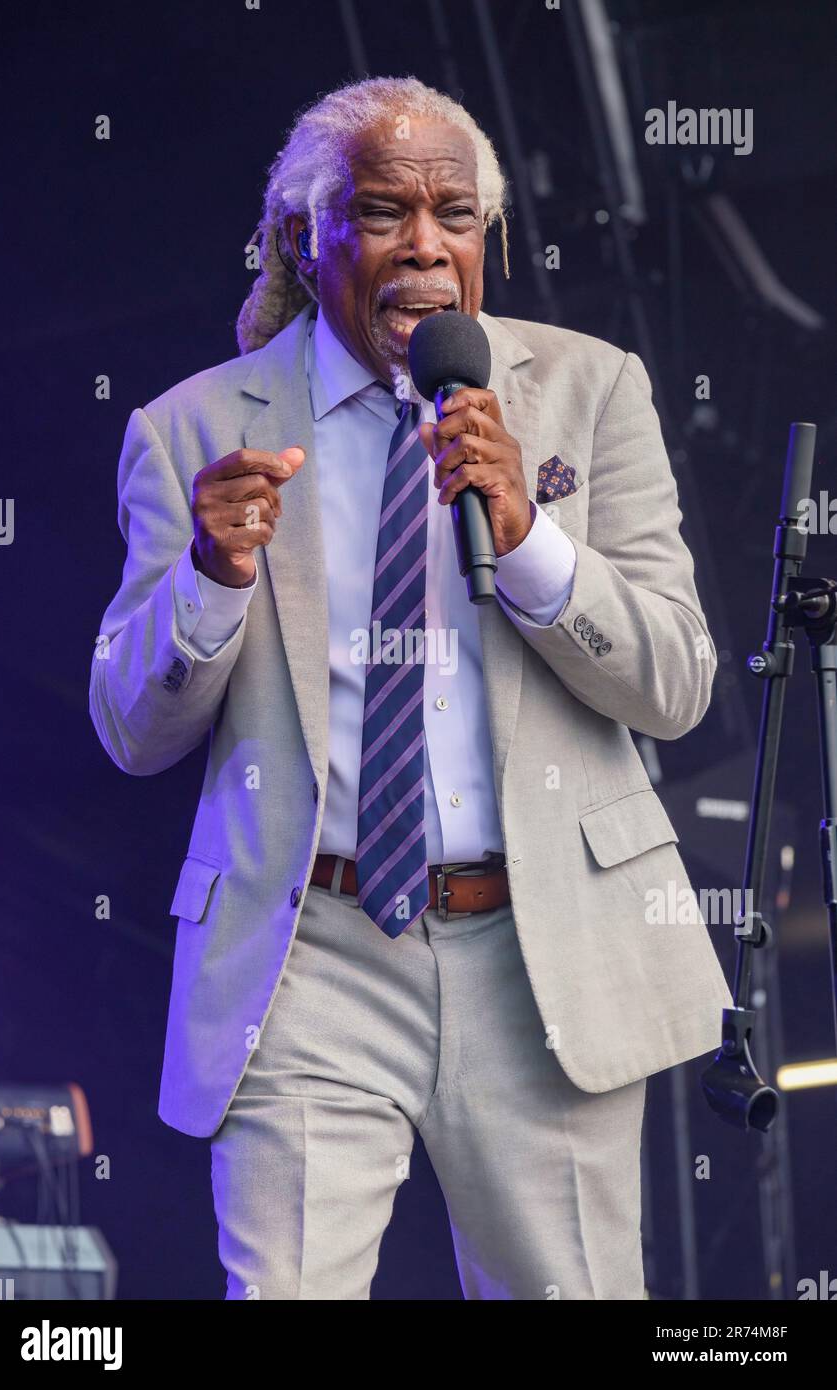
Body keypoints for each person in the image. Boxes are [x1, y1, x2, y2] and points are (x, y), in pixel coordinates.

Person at [89, 74, 732, 1301]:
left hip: (544, 953)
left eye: (455, 216)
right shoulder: (192, 430)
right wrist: (210, 577)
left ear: (486, 237)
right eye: (382, 212)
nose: (425, 246)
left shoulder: (589, 392)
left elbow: (677, 682)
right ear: (301, 236)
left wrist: (529, 533)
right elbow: (131, 727)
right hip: (308, 955)